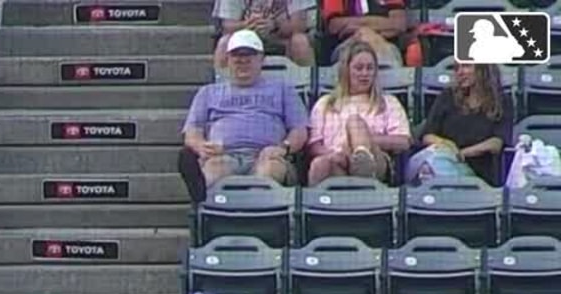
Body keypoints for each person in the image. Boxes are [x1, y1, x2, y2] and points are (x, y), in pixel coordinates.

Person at [182, 29, 309, 188]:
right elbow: (192, 132)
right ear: (227, 60)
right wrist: (202, 147)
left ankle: (253, 206)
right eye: (237, 57)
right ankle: (201, 196)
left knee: (269, 170)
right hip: (223, 155)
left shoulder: (284, 90)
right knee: (214, 170)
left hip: (267, 155)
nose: (243, 61)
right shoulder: (208, 92)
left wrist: (283, 148)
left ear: (261, 59)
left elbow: (300, 130)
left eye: (249, 57)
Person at [306, 40, 412, 186]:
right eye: (359, 68)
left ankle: (362, 163)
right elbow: (314, 146)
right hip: (337, 160)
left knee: (355, 123)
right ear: (346, 70)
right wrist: (335, 155)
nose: (365, 74)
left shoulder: (388, 102)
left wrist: (364, 139)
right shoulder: (325, 104)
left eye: (370, 68)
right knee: (319, 164)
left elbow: (403, 142)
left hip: (376, 160)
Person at [415, 62, 507, 187]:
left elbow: (496, 143)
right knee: (434, 162)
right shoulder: (447, 96)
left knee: (436, 168)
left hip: (479, 174)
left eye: (466, 66)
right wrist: (447, 145)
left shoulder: (501, 101)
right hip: (445, 158)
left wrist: (462, 153)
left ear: (483, 68)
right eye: (457, 68)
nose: (460, 72)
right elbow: (427, 136)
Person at [211, 0, 315, 71]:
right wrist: (246, 25)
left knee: (300, 41)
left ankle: (306, 89)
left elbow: (299, 25)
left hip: (282, 38)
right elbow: (227, 25)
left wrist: (275, 25)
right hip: (244, 39)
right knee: (224, 43)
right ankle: (221, 90)